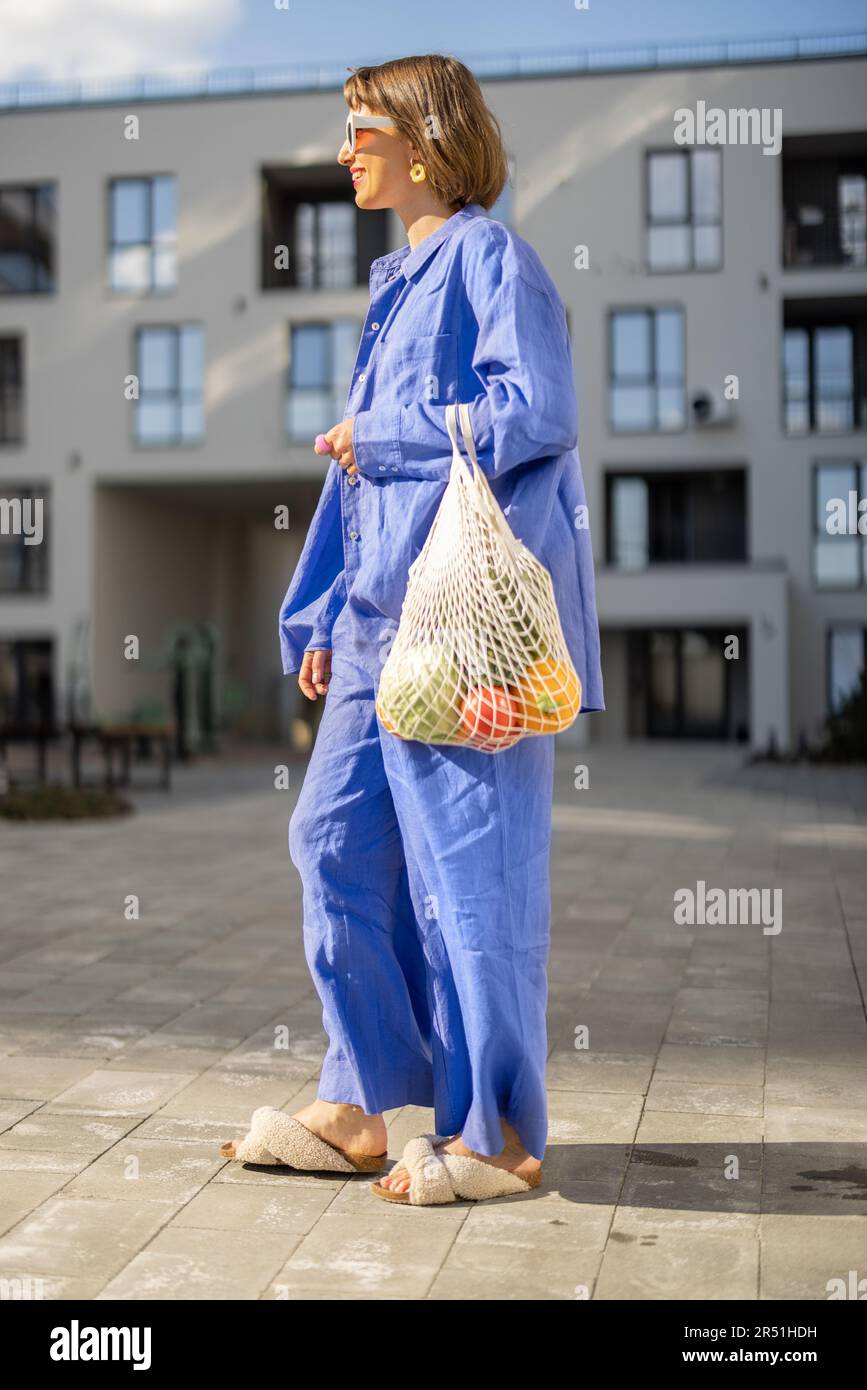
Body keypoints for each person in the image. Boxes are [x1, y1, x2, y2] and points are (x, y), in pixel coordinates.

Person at [221, 53, 604, 1206]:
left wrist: (385, 431)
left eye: (361, 128)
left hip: (466, 629)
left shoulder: (491, 257)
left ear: (425, 139)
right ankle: (355, 1104)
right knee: (330, 843)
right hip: (378, 623)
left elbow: (535, 412)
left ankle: (497, 1134)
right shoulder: (394, 282)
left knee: (468, 879)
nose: (344, 149)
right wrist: (325, 608)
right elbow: (356, 482)